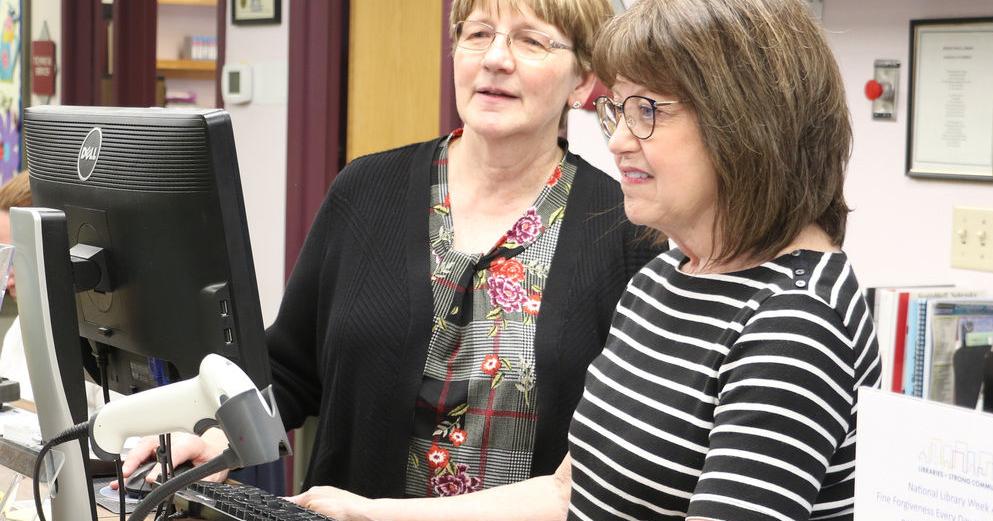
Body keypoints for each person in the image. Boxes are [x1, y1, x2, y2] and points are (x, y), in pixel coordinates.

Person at [284, 0, 882, 519]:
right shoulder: (668, 279)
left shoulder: (795, 319)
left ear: (745, 123)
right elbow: (573, 492)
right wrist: (370, 512)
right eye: (617, 111)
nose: (619, 138)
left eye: (648, 109)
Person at [123, 0, 662, 499]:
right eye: (478, 33)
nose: (496, 59)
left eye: (531, 41)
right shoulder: (365, 190)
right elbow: (290, 368)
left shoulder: (624, 227)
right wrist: (216, 435)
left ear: (583, 81)